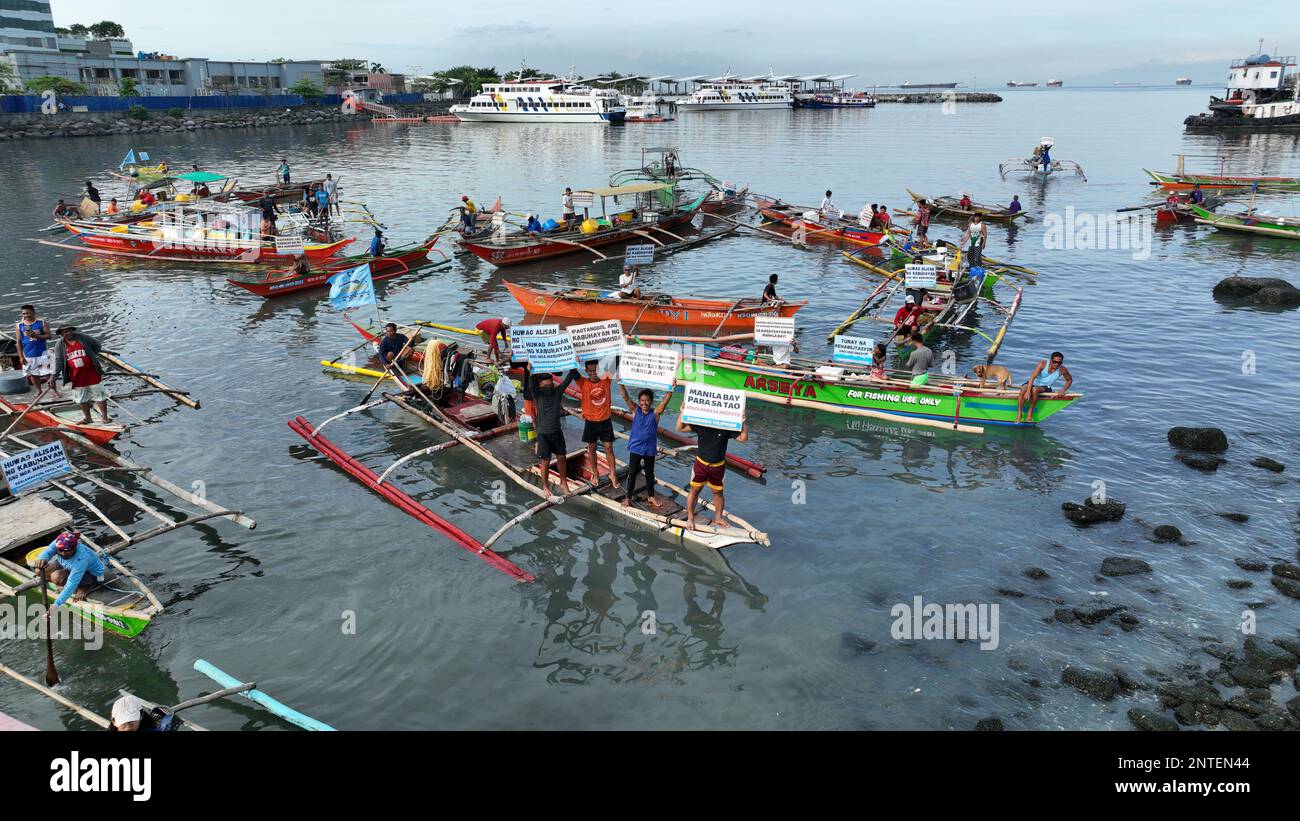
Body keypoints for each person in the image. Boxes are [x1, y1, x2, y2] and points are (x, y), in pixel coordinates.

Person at [676, 413, 748, 531]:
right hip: (701, 465)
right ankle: (690, 517)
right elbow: (680, 428)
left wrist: (743, 422)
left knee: (718, 493)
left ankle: (718, 518)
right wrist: (682, 412)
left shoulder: (726, 426)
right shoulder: (702, 423)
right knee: (694, 490)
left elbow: (743, 438)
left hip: (718, 467)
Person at [618, 380, 674, 508]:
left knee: (650, 474)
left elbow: (665, 402)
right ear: (639, 401)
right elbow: (625, 397)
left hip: (649, 450)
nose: (644, 403)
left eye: (647, 400)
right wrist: (621, 383)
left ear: (651, 401)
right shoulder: (635, 410)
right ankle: (628, 498)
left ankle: (651, 496)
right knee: (632, 473)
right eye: (642, 400)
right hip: (635, 449)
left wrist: (671, 388)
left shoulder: (655, 413)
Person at [532, 368, 579, 498]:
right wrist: (530, 370)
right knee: (545, 461)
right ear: (540, 385)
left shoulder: (557, 392)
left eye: (550, 384)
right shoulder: (537, 394)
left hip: (557, 432)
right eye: (545, 385)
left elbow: (570, 377)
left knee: (562, 457)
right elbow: (531, 380)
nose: (548, 387)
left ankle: (563, 482)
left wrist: (573, 363)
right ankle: (545, 486)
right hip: (543, 434)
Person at [32, 531, 103, 610]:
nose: (63, 554)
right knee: (38, 571)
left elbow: (71, 583)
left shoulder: (81, 560)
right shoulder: (59, 541)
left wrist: (56, 604)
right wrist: (41, 559)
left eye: (67, 551)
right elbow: (49, 550)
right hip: (66, 563)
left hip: (92, 574)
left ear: (75, 547)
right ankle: (60, 581)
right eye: (60, 550)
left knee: (55, 576)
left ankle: (85, 587)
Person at [52, 326, 109, 424]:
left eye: (69, 331)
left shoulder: (83, 337)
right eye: (65, 332)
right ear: (61, 334)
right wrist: (54, 377)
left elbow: (97, 345)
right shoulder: (60, 345)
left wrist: (91, 355)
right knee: (81, 397)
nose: (68, 333)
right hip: (76, 375)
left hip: (92, 372)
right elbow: (59, 361)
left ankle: (104, 417)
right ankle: (88, 418)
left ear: (72, 331)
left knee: (99, 394)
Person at [579, 359, 619, 488]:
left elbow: (616, 361)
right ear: (586, 371)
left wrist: (621, 344)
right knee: (592, 449)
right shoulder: (582, 382)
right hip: (590, 422)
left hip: (605, 421)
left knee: (609, 448)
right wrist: (574, 360)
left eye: (595, 370)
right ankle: (595, 474)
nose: (593, 373)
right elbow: (571, 369)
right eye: (590, 371)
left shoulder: (606, 378)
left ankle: (612, 474)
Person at [1016, 351, 1073, 423]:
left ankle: (1030, 411)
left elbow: (1069, 380)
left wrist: (1063, 390)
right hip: (1033, 383)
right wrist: (1027, 391)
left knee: (1035, 389)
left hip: (1045, 387)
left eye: (1059, 363)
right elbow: (1032, 377)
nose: (1057, 364)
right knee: (1024, 388)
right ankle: (1019, 413)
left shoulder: (1062, 370)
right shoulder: (1042, 364)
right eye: (1055, 362)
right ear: (1051, 360)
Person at [16, 305, 57, 396]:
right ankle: (39, 390)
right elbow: (18, 342)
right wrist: (21, 357)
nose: (26, 315)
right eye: (24, 314)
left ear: (33, 312)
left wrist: (36, 336)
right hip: (28, 354)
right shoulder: (19, 325)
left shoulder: (41, 323)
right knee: (33, 374)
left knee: (48, 374)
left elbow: (49, 336)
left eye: (28, 313)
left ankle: (55, 391)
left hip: (42, 353)